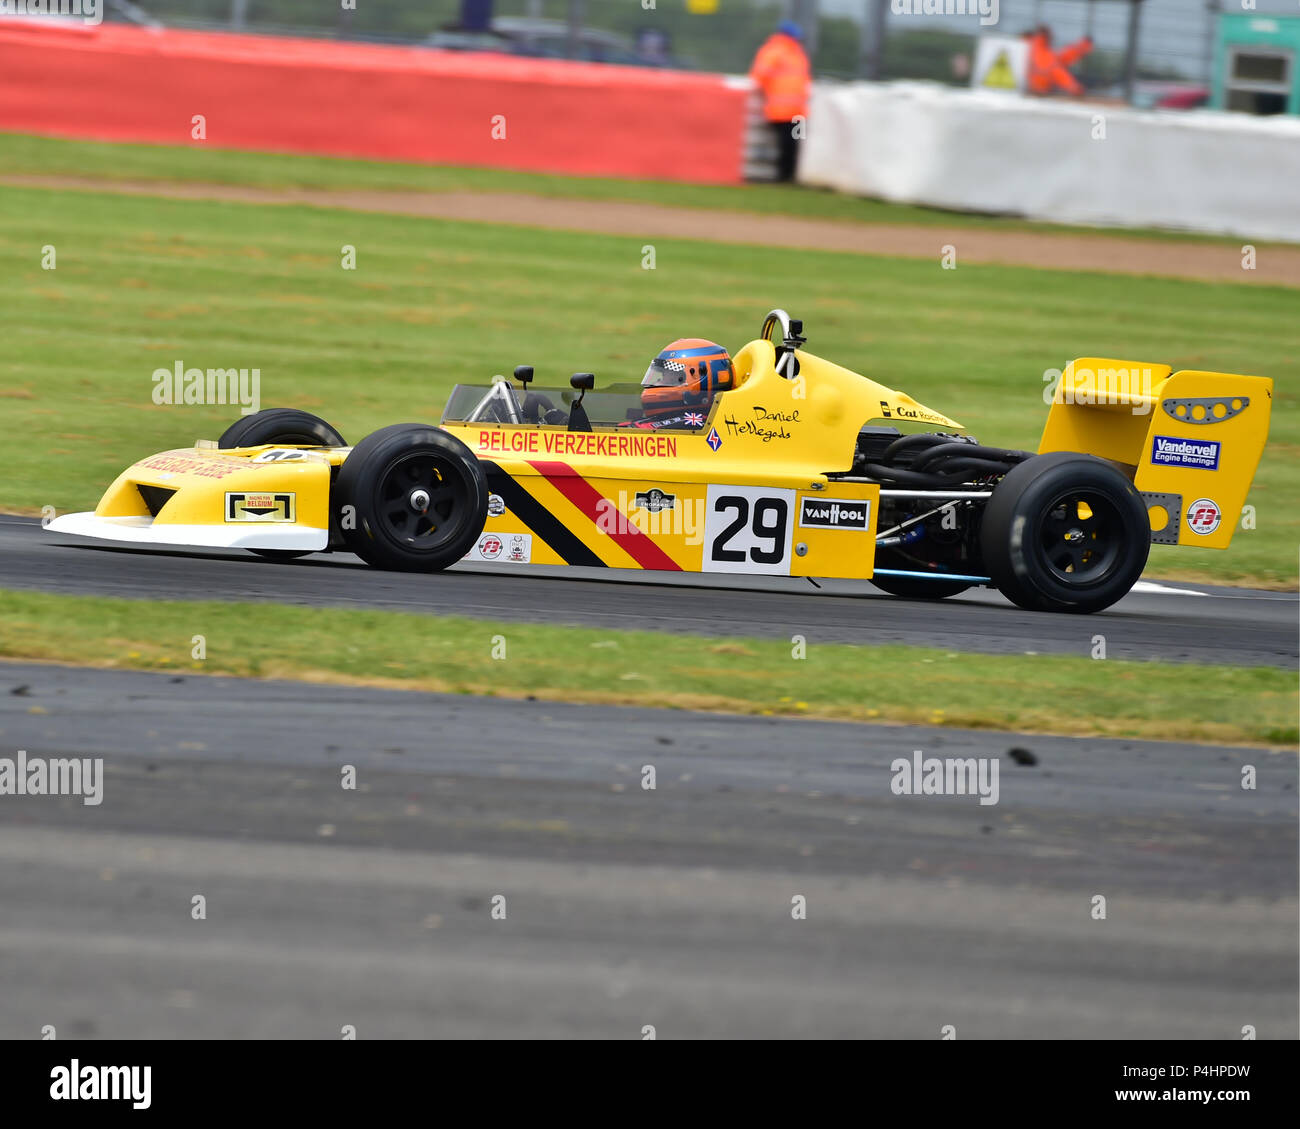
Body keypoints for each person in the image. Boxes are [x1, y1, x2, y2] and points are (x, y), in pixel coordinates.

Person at [749, 19, 811, 183]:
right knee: (788, 143)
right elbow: (759, 77)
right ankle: (784, 177)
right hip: (783, 109)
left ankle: (789, 176)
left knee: (793, 143)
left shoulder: (796, 53)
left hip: (797, 111)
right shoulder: (782, 52)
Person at [628, 339, 736, 430]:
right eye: (662, 376)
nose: (658, 382)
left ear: (702, 380)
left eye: (671, 377)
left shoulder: (695, 423)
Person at [1024, 24, 1093, 97]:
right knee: (1056, 66)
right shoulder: (1042, 52)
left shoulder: (1035, 47)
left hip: (1036, 86)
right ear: (1046, 36)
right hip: (1040, 87)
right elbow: (1055, 69)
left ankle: (1083, 46)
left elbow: (1062, 59)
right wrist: (1072, 87)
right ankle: (1084, 46)